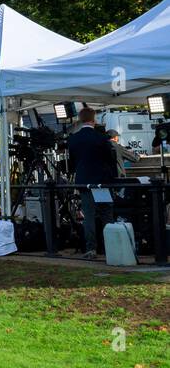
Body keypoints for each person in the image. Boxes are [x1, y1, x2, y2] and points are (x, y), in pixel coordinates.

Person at [69, 107, 116, 258]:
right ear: (94, 119)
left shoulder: (74, 139)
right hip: (101, 181)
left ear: (80, 119)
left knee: (88, 215)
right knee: (106, 213)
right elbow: (110, 160)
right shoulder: (101, 138)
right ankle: (111, 246)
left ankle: (91, 249)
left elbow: (72, 162)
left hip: (84, 181)